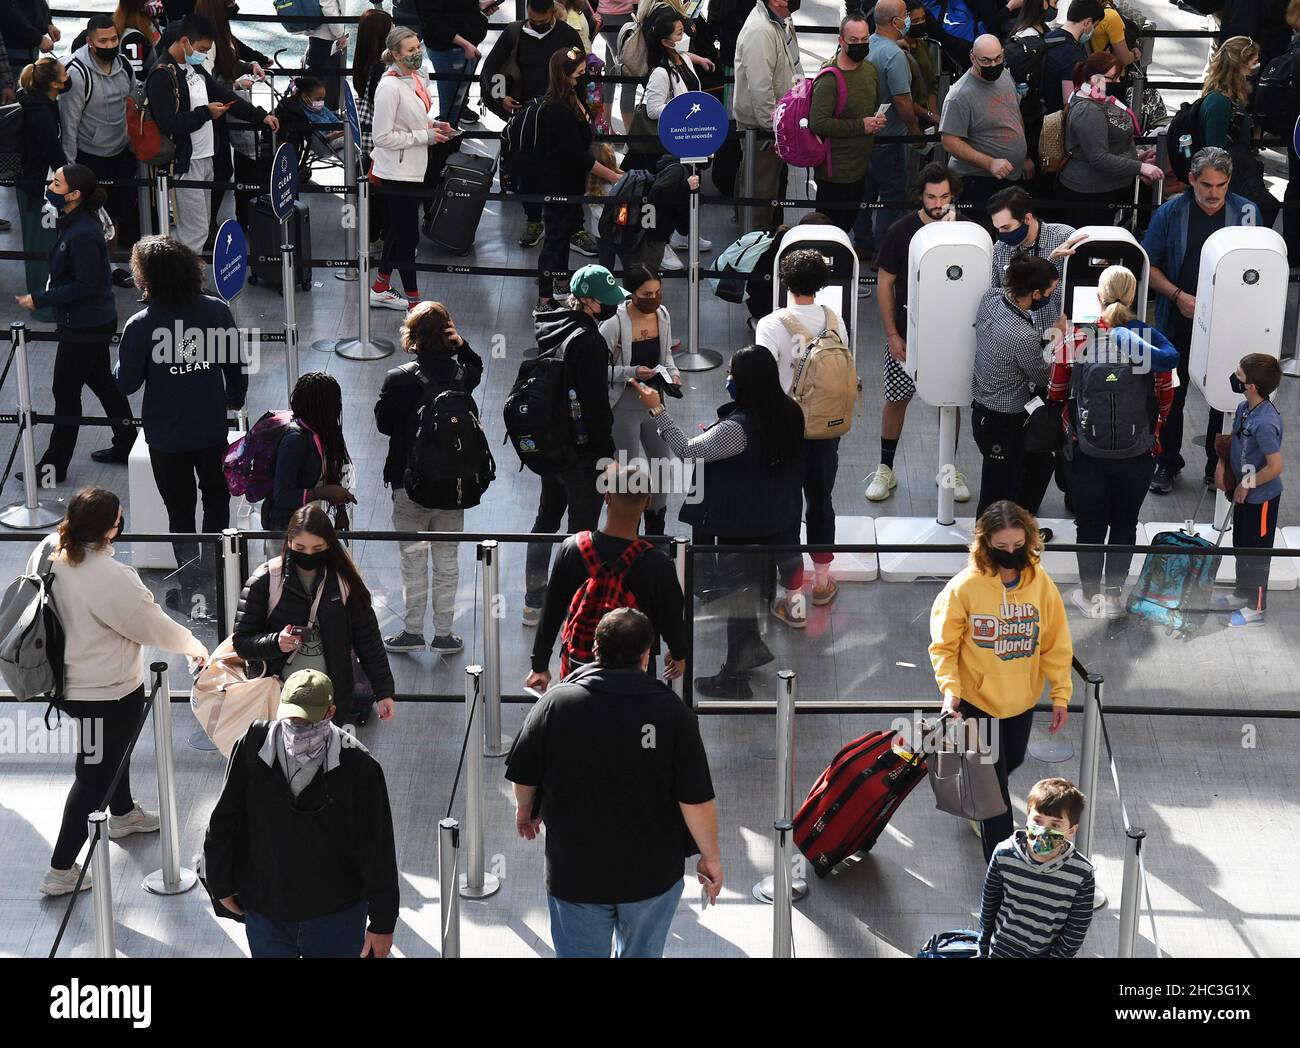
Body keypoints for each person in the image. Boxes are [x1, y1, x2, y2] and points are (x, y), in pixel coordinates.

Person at [506, 607, 721, 958]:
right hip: (652, 876)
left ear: (595, 649)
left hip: (575, 873)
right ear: (646, 654)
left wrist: (525, 812)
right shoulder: (672, 712)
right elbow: (694, 799)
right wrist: (710, 857)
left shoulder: (556, 703)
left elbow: (524, 774)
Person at [33, 487, 209, 896]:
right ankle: (61, 869)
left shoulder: (50, 550)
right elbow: (152, 625)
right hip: (106, 691)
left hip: (70, 684)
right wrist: (195, 647)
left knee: (116, 750)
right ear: (110, 528)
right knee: (93, 776)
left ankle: (125, 814)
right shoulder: (110, 576)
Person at [637, 346, 805, 698]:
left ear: (745, 382)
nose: (727, 379)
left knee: (737, 602)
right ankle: (749, 652)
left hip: (740, 528)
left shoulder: (737, 429)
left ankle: (734, 679)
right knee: (751, 596)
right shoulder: (789, 411)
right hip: (776, 522)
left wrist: (657, 409)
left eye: (732, 373)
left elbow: (686, 450)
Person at [202, 669, 400, 958]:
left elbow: (378, 848)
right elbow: (224, 821)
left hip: (336, 918)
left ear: (331, 712)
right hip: (267, 914)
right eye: (292, 717)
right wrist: (220, 885)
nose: (297, 726)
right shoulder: (251, 747)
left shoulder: (360, 768)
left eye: (308, 719)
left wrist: (382, 923)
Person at [929, 500, 1073, 862]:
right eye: (1002, 547)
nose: (1011, 554)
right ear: (985, 544)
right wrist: (951, 691)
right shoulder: (965, 588)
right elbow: (943, 646)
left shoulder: (1040, 583)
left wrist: (1060, 694)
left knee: (1011, 764)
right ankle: (1004, 866)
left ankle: (978, 798)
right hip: (977, 703)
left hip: (1022, 700)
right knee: (997, 796)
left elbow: (1055, 640)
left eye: (1018, 546)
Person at [115, 234, 247, 606]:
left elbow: (126, 383)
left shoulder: (141, 324)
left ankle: (193, 587)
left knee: (180, 511)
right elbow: (236, 366)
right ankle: (220, 578)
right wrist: (233, 399)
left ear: (145, 277)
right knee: (217, 500)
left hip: (166, 436)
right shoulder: (216, 310)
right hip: (210, 427)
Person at [1046, 265, 1176, 618]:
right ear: (1134, 297)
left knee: (1090, 524)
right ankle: (1115, 597)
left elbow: (1056, 392)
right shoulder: (1150, 342)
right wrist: (1153, 432)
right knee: (1124, 522)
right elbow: (1165, 396)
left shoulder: (1075, 339)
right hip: (1138, 454)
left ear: (1098, 297)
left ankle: (1090, 597)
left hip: (1085, 452)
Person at [1142, 147, 1261, 495]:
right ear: (1192, 179)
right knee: (1171, 393)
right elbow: (1149, 265)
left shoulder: (1246, 213)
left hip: (1229, 323)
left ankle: (1217, 464)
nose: (1213, 193)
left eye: (1221, 185)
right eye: (1206, 184)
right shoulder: (1171, 213)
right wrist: (1179, 297)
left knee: (1224, 394)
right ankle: (1166, 462)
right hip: (1179, 316)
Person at [13, 165, 136, 485]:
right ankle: (127, 443)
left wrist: (41, 299)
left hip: (85, 325)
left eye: (56, 182)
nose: (50, 186)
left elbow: (87, 283)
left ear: (74, 194)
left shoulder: (82, 232)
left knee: (65, 393)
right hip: (91, 320)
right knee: (103, 383)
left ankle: (53, 468)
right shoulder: (73, 223)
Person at [374, 301, 483, 655]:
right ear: (448, 335)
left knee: (413, 563)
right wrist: (462, 345)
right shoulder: (461, 376)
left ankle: (412, 630)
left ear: (412, 335)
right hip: (452, 486)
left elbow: (384, 425)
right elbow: (476, 365)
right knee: (447, 561)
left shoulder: (399, 378)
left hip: (409, 484)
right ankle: (444, 634)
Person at [234, 505, 397, 731]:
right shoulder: (266, 579)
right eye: (300, 547)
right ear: (289, 542)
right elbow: (242, 643)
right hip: (278, 697)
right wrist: (276, 642)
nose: (308, 554)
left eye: (317, 548)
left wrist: (384, 691)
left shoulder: (344, 583)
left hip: (331, 699)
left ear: (329, 545)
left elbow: (368, 640)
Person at [865, 163, 972, 505]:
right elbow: (885, 282)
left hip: (952, 334)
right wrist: (892, 334)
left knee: (951, 401)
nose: (938, 203)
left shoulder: (966, 231)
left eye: (944, 196)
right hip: (908, 334)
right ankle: (885, 468)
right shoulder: (901, 230)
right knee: (896, 399)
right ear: (920, 196)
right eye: (931, 196)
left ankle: (948, 468)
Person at [527, 463, 687, 689]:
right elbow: (671, 617)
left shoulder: (572, 549)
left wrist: (540, 665)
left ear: (607, 497)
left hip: (580, 670)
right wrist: (678, 654)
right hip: (635, 672)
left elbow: (552, 610)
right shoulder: (657, 563)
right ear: (648, 503)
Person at [524, 266, 622, 624]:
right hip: (581, 453)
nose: (612, 307)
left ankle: (533, 599)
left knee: (545, 520)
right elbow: (595, 405)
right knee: (582, 533)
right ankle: (575, 606)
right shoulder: (590, 342)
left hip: (552, 443)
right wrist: (606, 454)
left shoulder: (552, 325)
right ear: (588, 302)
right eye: (606, 301)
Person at [754, 248, 848, 612]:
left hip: (785, 429)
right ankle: (823, 580)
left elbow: (762, 376)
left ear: (785, 281)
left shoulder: (771, 323)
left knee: (787, 508)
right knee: (821, 500)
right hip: (826, 426)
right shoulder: (834, 319)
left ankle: (792, 594)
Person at [146, 15, 279, 254]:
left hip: (206, 156)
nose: (204, 55)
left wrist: (259, 115)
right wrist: (205, 113)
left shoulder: (193, 67)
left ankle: (189, 281)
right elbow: (168, 123)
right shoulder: (161, 75)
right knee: (194, 230)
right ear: (185, 41)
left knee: (200, 226)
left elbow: (223, 94)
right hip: (186, 162)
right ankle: (188, 284)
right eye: (202, 49)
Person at [479, 0, 582, 248]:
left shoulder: (567, 34)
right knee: (527, 170)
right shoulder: (514, 32)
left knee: (569, 170)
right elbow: (491, 68)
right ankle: (534, 220)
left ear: (553, 13)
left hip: (558, 114)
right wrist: (500, 97)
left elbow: (582, 70)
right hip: (525, 116)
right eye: (533, 21)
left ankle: (576, 227)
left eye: (543, 22)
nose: (537, 26)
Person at [369, 27, 455, 311]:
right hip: (396, 172)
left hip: (414, 167)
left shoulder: (417, 77)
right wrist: (425, 136)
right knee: (408, 237)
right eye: (410, 50)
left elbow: (415, 120)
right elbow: (381, 137)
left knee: (399, 228)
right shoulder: (389, 87)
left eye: (418, 46)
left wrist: (434, 126)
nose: (417, 53)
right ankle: (414, 304)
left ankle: (380, 286)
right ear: (395, 54)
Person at [971, 254, 1063, 517]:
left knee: (1041, 463)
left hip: (984, 412)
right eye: (1050, 292)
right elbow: (1043, 376)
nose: (1051, 297)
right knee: (996, 494)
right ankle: (990, 546)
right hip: (1005, 423)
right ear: (1035, 293)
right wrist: (1057, 336)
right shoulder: (1022, 336)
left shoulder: (991, 299)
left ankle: (1021, 526)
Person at [536, 48, 623, 306]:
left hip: (573, 182)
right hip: (558, 183)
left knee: (565, 233)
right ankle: (544, 299)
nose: (585, 77)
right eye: (580, 73)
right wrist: (612, 176)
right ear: (564, 76)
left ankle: (561, 286)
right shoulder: (557, 110)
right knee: (555, 238)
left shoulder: (575, 97)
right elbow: (578, 155)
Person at [599, 266, 680, 535]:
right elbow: (597, 370)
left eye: (658, 293)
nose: (654, 299)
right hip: (623, 405)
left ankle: (655, 529)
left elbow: (665, 355)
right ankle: (625, 530)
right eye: (647, 294)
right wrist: (631, 372)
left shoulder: (662, 315)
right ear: (631, 294)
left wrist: (673, 373)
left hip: (653, 403)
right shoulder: (613, 325)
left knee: (662, 468)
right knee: (627, 474)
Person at [59, 15, 139, 288]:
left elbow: (133, 103)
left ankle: (112, 263)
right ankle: (102, 267)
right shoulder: (77, 73)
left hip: (120, 151)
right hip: (89, 154)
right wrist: (69, 168)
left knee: (117, 212)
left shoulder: (124, 65)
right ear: (89, 42)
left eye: (114, 39)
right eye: (103, 40)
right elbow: (69, 123)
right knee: (94, 215)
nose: (110, 44)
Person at [978, 777, 1095, 958]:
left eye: (1055, 825)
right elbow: (989, 905)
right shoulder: (1004, 854)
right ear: (1027, 818)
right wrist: (983, 948)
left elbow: (1076, 929)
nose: (1043, 831)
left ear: (1071, 831)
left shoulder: (1081, 873)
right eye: (1037, 821)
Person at [195, 0, 273, 244]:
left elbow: (226, 61)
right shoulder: (207, 40)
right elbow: (204, 82)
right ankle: (205, 229)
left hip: (216, 114)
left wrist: (249, 64)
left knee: (222, 170)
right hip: (208, 115)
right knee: (218, 171)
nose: (234, 5)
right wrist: (236, 86)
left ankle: (209, 226)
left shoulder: (217, 33)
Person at [1217, 353, 1285, 628]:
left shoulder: (1266, 422)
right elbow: (1235, 444)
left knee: (1257, 553)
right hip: (1243, 494)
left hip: (1261, 499)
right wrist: (1223, 466)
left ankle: (1256, 607)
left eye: (1240, 376)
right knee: (1242, 547)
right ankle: (1241, 592)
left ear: (1252, 386)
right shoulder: (1244, 408)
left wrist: (1247, 484)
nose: (1235, 378)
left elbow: (1275, 466)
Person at [939, 34, 1032, 230]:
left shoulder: (1004, 74)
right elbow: (949, 141)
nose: (993, 65)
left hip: (1010, 176)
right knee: (982, 235)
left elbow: (1014, 113)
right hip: (978, 181)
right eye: (986, 60)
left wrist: (1023, 156)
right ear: (973, 58)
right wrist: (989, 163)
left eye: (998, 58)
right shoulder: (959, 95)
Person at [1057, 52, 1161, 227]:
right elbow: (1098, 157)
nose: (1117, 83)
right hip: (1092, 193)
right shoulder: (1088, 111)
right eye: (1112, 79)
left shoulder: (1096, 98)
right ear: (1092, 79)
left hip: (1109, 185)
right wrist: (1140, 166)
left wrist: (1134, 159)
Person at [855, 0, 924, 264]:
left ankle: (862, 243)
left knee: (866, 194)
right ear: (896, 22)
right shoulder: (893, 55)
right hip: (890, 140)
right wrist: (915, 131)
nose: (908, 19)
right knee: (892, 197)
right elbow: (903, 101)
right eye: (905, 15)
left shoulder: (866, 45)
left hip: (865, 138)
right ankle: (883, 253)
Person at [809, 12, 885, 235]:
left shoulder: (869, 70)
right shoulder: (829, 78)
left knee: (846, 226)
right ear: (840, 41)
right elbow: (818, 123)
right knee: (828, 231)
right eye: (854, 40)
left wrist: (876, 120)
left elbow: (870, 106)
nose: (860, 45)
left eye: (865, 40)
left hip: (860, 167)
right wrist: (861, 126)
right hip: (835, 173)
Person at [733, 0, 804, 230]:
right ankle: (754, 242)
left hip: (779, 122)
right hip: (762, 129)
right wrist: (774, 129)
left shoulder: (782, 22)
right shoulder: (760, 30)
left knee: (767, 183)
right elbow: (760, 89)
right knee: (760, 188)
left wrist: (800, 105)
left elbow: (795, 65)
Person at [1198, 36, 1278, 232]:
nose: (1256, 66)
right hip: (1231, 179)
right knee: (1266, 208)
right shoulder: (1220, 102)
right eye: (1253, 62)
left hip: (1235, 176)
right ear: (1240, 65)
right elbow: (1213, 151)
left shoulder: (1228, 97)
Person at [264, 372, 356, 534]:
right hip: (287, 528)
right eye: (334, 402)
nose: (338, 406)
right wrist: (324, 492)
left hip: (312, 522)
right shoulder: (294, 440)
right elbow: (282, 496)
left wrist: (340, 510)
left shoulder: (326, 431)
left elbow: (333, 471)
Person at [14, 57, 66, 325]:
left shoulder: (40, 104)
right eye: (63, 74)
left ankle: (47, 302)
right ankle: (44, 307)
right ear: (54, 83)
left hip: (37, 188)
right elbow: (52, 153)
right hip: (38, 190)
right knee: (42, 249)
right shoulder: (41, 113)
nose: (67, 77)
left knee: (45, 246)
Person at [987, 185, 1080, 326]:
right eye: (998, 228)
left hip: (1057, 333)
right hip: (1019, 336)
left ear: (1027, 219)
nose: (1002, 234)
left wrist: (1050, 266)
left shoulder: (1065, 238)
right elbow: (994, 297)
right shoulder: (1000, 249)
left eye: (1006, 228)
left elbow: (1076, 296)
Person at [353, 6, 394, 252]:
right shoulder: (381, 67)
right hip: (381, 137)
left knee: (371, 189)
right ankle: (378, 236)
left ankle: (371, 233)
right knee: (381, 190)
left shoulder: (363, 61)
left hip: (368, 137)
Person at [417, 0, 494, 127]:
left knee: (458, 96)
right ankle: (447, 140)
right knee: (451, 105)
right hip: (449, 48)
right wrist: (464, 44)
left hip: (465, 43)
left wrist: (478, 7)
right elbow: (433, 21)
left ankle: (452, 126)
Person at [1039, 1, 1103, 117]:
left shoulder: (1051, 36)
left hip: (1041, 110)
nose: (1093, 30)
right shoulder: (1072, 53)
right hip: (1056, 118)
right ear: (1088, 22)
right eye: (1095, 26)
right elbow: (1069, 102)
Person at [292, 0, 347, 110]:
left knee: (317, 78)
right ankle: (316, 115)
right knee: (318, 82)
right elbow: (328, 7)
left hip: (320, 33)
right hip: (325, 35)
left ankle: (315, 113)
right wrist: (340, 33)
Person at [1, 1, 57, 73]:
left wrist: (47, 23)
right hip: (13, 48)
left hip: (31, 45)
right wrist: (37, 39)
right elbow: (7, 13)